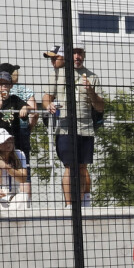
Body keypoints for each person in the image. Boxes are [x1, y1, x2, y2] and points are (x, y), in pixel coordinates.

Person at [43, 46, 105, 207]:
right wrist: (48, 105)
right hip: (64, 127)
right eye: (74, 53)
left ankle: (84, 203)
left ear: (84, 55)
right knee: (70, 165)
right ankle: (70, 205)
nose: (77, 57)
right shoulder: (58, 73)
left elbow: (100, 107)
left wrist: (91, 91)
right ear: (68, 56)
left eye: (80, 53)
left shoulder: (93, 77)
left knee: (82, 166)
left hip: (86, 127)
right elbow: (46, 97)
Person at [0, 71, 32, 159]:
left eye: (6, 84)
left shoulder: (15, 99)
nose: (3, 87)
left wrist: (25, 108)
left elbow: (32, 108)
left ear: (11, 85)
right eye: (0, 84)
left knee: (14, 167)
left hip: (12, 142)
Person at [0, 128, 31, 213]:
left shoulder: (19, 154)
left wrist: (6, 167)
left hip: (13, 196)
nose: (9, 143)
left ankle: (15, 222)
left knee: (23, 196)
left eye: (9, 140)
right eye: (4, 141)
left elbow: (23, 178)